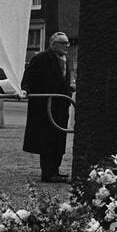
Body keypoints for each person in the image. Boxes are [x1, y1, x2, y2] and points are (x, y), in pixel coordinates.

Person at [21, 32, 74, 183]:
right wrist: (25, 90)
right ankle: (48, 172)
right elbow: (29, 77)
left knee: (59, 138)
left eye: (67, 43)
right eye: (63, 43)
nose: (66, 46)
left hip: (61, 105)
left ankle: (55, 169)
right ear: (53, 44)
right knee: (47, 139)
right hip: (45, 107)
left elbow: (63, 81)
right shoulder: (41, 58)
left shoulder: (66, 60)